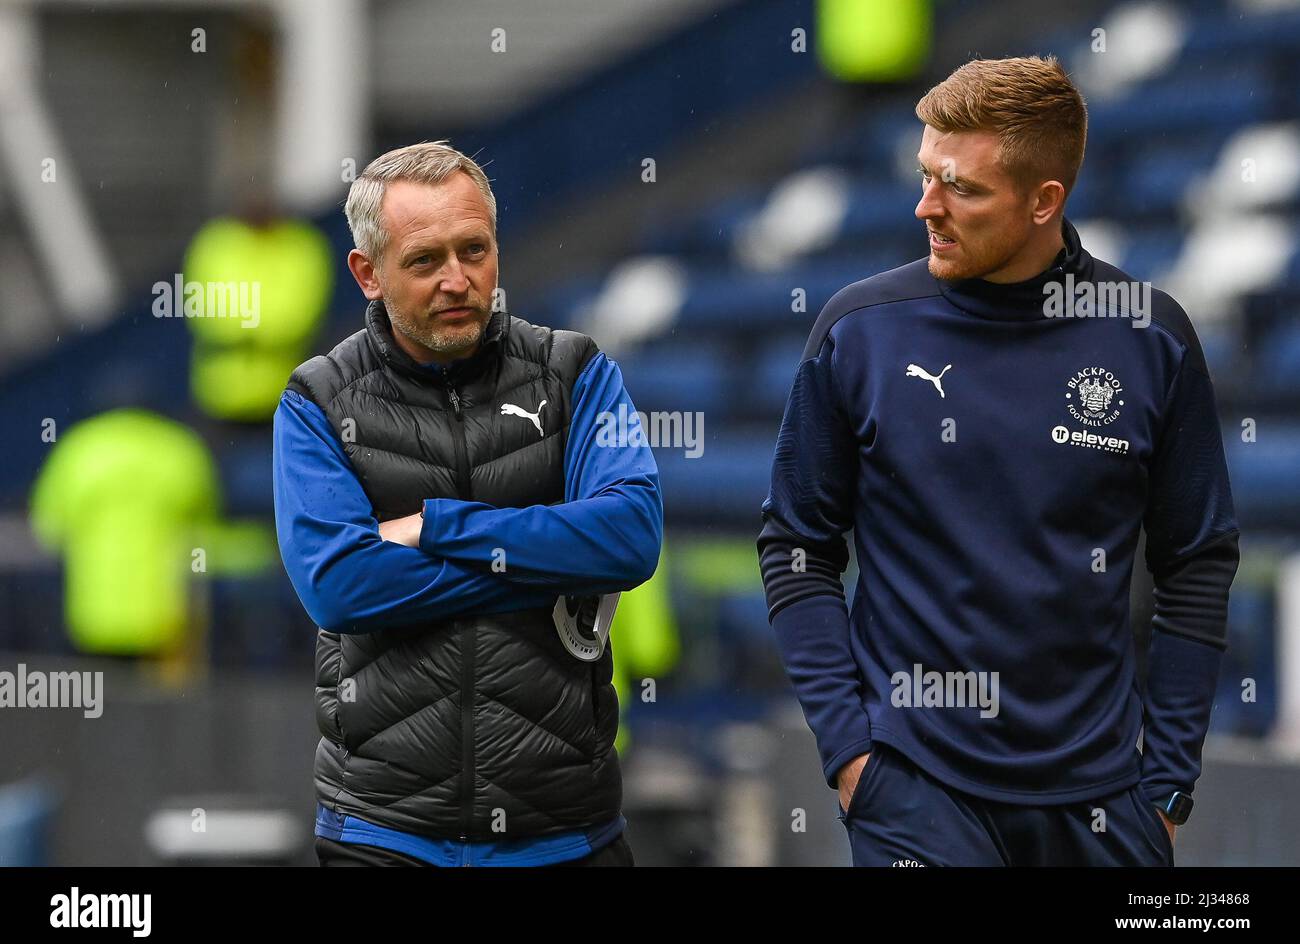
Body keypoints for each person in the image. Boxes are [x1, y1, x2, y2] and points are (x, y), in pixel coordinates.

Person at [757, 56, 1239, 866]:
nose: (926, 207)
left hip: (1102, 805)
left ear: (1044, 200)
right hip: (915, 790)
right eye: (924, 176)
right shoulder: (860, 330)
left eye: (962, 189)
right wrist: (852, 757)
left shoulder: (1149, 337)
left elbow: (1197, 562)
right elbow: (796, 547)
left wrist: (1165, 788)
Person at [272, 141, 662, 866]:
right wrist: (544, 560)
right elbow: (340, 585)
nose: (458, 280)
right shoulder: (317, 400)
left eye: (474, 250)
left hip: (566, 831)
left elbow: (632, 537)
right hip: (383, 834)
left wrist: (435, 527)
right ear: (368, 273)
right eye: (425, 260)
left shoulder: (576, 371)